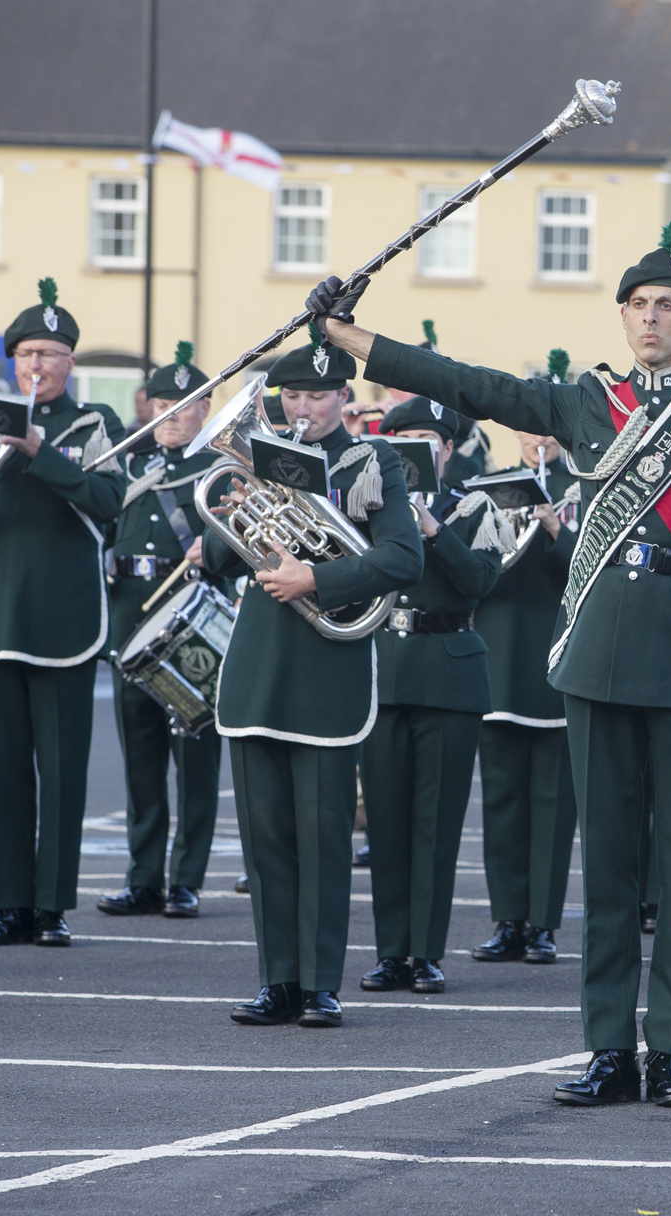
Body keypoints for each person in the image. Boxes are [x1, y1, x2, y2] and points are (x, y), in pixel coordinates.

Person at [308, 222, 671, 1108]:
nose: (651, 317)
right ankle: (608, 1050)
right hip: (601, 650)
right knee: (609, 864)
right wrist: (348, 337)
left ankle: (670, 1051)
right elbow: (470, 384)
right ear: (622, 316)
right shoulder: (589, 401)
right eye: (639, 304)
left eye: (668, 305)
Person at [211, 324, 424, 1029]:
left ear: (343, 398)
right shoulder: (259, 458)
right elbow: (218, 560)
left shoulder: (373, 460)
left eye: (318, 396)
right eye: (292, 396)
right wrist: (234, 512)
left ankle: (319, 984)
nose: (303, 408)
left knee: (324, 835)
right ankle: (277, 980)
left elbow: (405, 558)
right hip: (259, 663)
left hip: (329, 665)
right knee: (266, 836)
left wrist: (318, 578)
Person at [0, 279, 126, 949]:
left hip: (65, 613)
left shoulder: (94, 424)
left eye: (51, 354)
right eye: (27, 353)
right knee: (4, 770)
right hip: (2, 610)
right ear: (12, 361)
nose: (38, 364)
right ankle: (11, 904)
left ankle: (53, 905)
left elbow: (108, 502)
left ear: (70, 363)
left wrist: (37, 449)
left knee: (61, 770)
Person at [359, 395, 504, 994]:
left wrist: (434, 530)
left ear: (446, 449)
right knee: (386, 823)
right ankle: (391, 952)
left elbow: (480, 582)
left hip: (447, 673)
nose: (416, 455)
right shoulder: (367, 505)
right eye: (400, 445)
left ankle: (426, 953)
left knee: (436, 823)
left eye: (426, 444)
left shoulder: (473, 506)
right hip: (384, 672)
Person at [97, 343, 224, 920]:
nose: (171, 415)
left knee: (194, 760)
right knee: (141, 761)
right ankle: (144, 877)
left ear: (205, 409)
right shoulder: (128, 466)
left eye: (184, 404)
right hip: (131, 618)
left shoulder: (219, 472)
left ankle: (187, 880)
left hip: (192, 625)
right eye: (162, 403)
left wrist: (214, 546)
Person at [472, 358, 580, 967]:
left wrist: (555, 527)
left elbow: (591, 573)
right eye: (527, 426)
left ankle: (543, 923)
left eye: (546, 426)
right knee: (502, 799)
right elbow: (472, 572)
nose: (537, 437)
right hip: (499, 657)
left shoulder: (588, 485)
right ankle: (507, 919)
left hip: (557, 657)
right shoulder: (489, 486)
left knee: (553, 803)